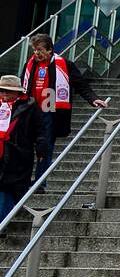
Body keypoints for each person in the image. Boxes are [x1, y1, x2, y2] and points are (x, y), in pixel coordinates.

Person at [22, 32, 107, 183]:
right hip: (30, 111)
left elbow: (80, 84)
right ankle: (24, 180)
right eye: (34, 50)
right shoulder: (30, 65)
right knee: (26, 145)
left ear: (49, 49)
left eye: (40, 50)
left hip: (50, 112)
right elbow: (22, 86)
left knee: (46, 147)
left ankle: (40, 183)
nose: (37, 53)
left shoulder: (64, 64)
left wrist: (93, 99)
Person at [0, 74, 48, 218]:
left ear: (18, 91)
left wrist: (41, 148)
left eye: (7, 90)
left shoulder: (30, 107)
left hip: (18, 153)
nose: (4, 93)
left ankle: (4, 220)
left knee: (9, 187)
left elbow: (40, 129)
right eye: (2, 90)